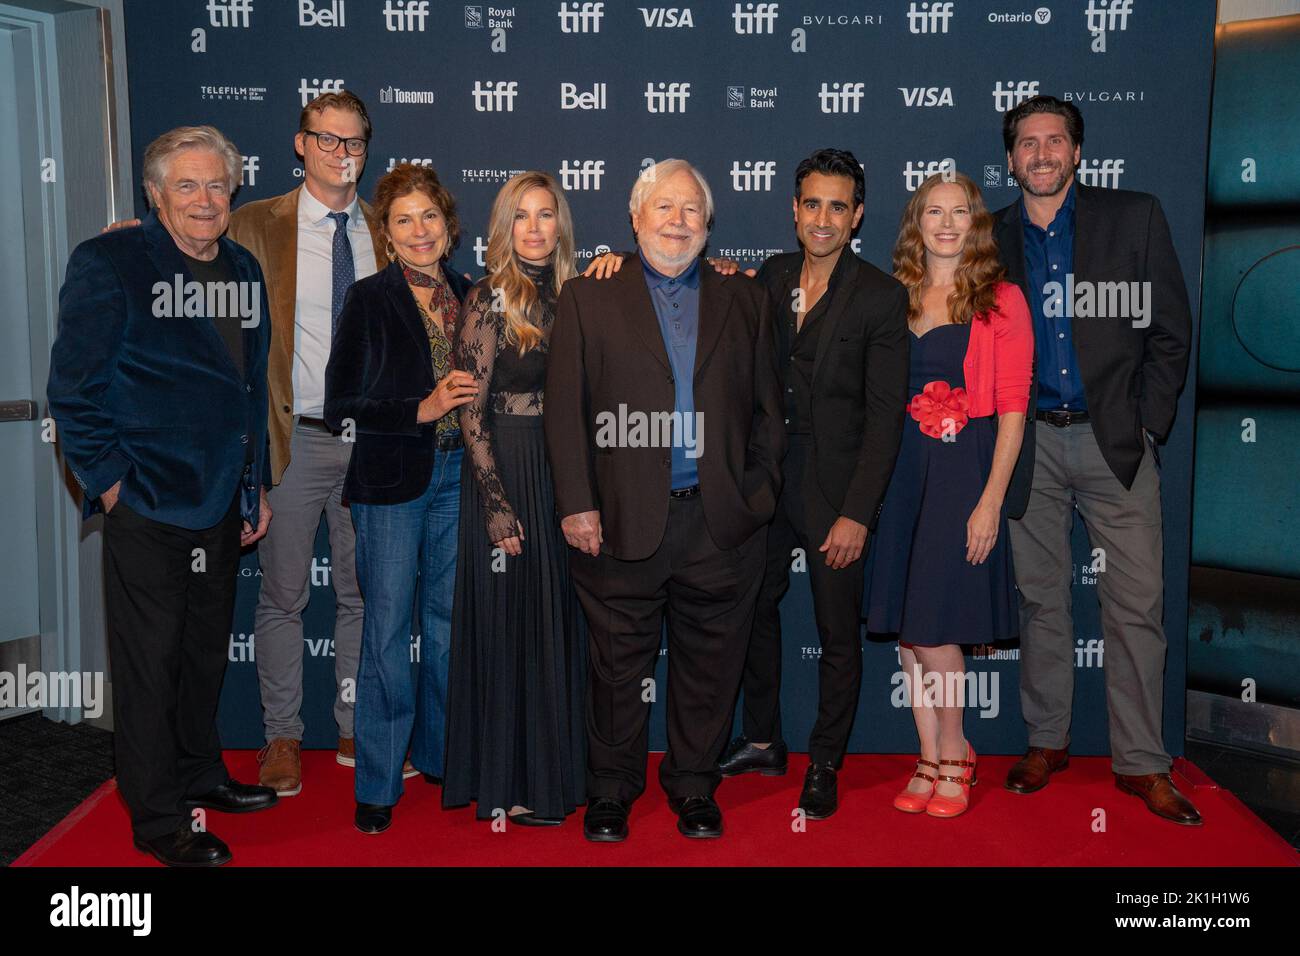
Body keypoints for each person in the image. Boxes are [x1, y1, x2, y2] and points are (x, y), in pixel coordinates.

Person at [99, 91, 395, 796]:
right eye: (326, 138)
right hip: (291, 438)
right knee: (282, 597)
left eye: (352, 141)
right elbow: (184, 250)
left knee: (363, 595)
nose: (340, 153)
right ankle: (282, 738)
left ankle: (354, 727)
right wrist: (135, 241)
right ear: (300, 143)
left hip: (375, 443)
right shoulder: (255, 221)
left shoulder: (389, 228)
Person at [47, 125, 277, 866]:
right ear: (154, 194)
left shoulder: (242, 268)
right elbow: (74, 393)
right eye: (187, 186)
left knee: (203, 654)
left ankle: (200, 774)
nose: (205, 200)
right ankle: (157, 817)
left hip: (220, 502)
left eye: (217, 185)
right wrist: (113, 487)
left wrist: (255, 485)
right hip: (147, 504)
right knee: (149, 664)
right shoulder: (110, 262)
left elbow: (248, 390)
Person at [544, 159, 786, 842]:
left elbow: (771, 412)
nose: (677, 222)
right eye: (664, 208)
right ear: (634, 217)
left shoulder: (745, 298)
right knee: (617, 670)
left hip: (721, 523)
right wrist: (577, 503)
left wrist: (757, 497)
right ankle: (612, 791)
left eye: (691, 211)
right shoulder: (589, 296)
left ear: (708, 226)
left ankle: (694, 786)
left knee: (710, 668)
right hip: (618, 520)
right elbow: (565, 412)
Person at [993, 96, 1199, 825]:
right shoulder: (993, 237)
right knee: (1042, 598)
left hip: (1115, 440)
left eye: (1055, 141)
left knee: (1136, 604)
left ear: (1078, 153)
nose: (1042, 153)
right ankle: (1046, 741)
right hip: (1029, 445)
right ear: (1011, 157)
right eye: (1027, 143)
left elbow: (1171, 330)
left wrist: (1147, 424)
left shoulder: (1132, 216)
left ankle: (1142, 762)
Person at [715, 148, 911, 820]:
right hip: (765, 481)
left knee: (835, 633)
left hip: (836, 488)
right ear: (794, 211)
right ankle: (765, 737)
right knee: (753, 612)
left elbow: (886, 420)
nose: (822, 219)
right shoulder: (770, 277)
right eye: (811, 204)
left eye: (837, 206)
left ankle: (825, 760)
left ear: (856, 216)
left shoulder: (882, 297)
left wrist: (859, 513)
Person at [863, 170, 1033, 818]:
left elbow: (1014, 410)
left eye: (958, 211)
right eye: (933, 211)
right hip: (904, 468)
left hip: (966, 467)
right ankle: (927, 756)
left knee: (935, 632)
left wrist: (990, 499)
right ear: (916, 223)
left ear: (975, 222)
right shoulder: (895, 295)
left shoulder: (1002, 299)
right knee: (910, 636)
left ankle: (956, 755)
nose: (945, 223)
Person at [324, 163, 477, 834]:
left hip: (457, 480)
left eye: (430, 217)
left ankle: (442, 761)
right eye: (404, 220)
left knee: (445, 630)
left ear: (449, 226)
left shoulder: (471, 294)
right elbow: (340, 407)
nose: (420, 230)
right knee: (386, 631)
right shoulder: (368, 298)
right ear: (386, 234)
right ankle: (380, 782)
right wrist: (422, 407)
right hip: (391, 482)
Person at [442, 172, 587, 826]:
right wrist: (496, 503)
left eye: (546, 214)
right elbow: (470, 410)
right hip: (509, 468)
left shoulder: (583, 293)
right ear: (504, 226)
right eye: (521, 216)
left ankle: (555, 773)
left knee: (557, 626)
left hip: (570, 474)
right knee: (512, 626)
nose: (534, 227)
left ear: (561, 224)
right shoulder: (489, 297)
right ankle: (510, 780)